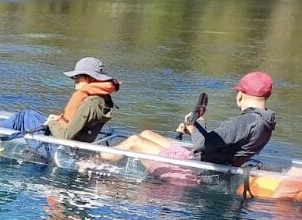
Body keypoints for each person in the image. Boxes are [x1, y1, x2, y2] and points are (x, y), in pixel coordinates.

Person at [112, 71, 276, 170]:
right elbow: (217, 144)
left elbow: (202, 144)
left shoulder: (246, 121)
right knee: (146, 134)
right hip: (206, 163)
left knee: (134, 141)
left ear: (240, 94)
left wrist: (199, 122)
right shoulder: (265, 120)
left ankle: (90, 163)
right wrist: (192, 129)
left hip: (197, 172)